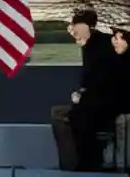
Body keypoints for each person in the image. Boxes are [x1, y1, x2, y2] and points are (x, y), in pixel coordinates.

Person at [51, 9, 120, 171]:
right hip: (99, 100)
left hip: (109, 103)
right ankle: (78, 164)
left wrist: (84, 96)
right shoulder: (90, 45)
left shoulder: (102, 46)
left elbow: (106, 80)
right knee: (63, 113)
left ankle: (79, 166)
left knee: (69, 116)